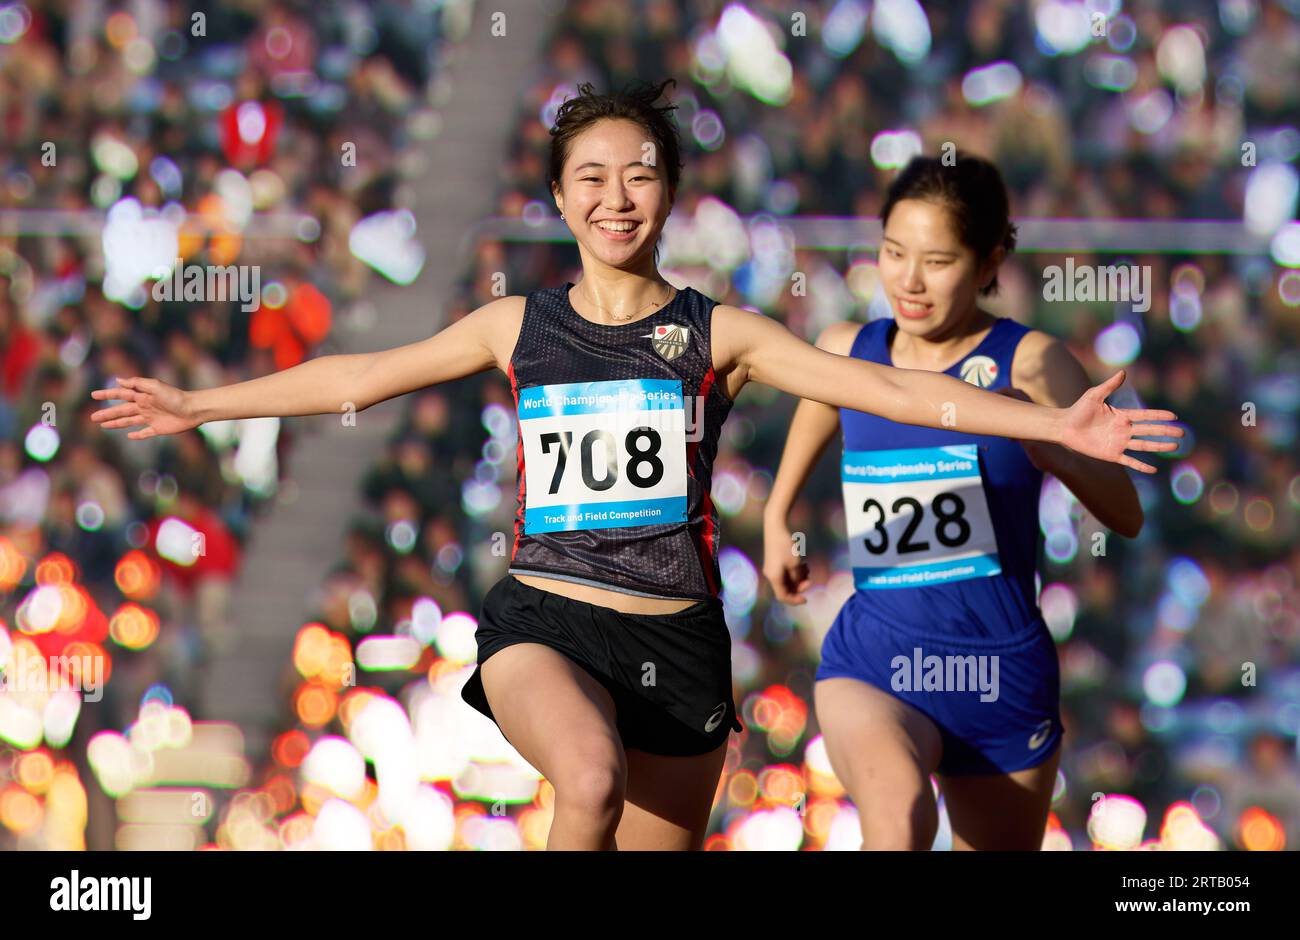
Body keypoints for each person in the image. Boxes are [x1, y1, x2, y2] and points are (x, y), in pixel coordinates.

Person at [91, 81, 1181, 851]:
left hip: (680, 647)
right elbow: (359, 374)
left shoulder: (727, 333)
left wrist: (1051, 427)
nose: (616, 198)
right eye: (591, 178)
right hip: (547, 622)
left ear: (667, 195)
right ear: (560, 198)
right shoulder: (513, 323)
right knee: (590, 777)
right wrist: (199, 401)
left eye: (640, 176)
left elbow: (893, 389)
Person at [762, 152, 1152, 850]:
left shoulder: (1032, 363)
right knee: (898, 818)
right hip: (876, 661)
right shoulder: (844, 349)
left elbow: (1126, 514)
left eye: (937, 260)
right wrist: (775, 516)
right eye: (892, 252)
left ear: (989, 259)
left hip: (1001, 675)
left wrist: (1052, 446)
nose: (908, 281)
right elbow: (817, 413)